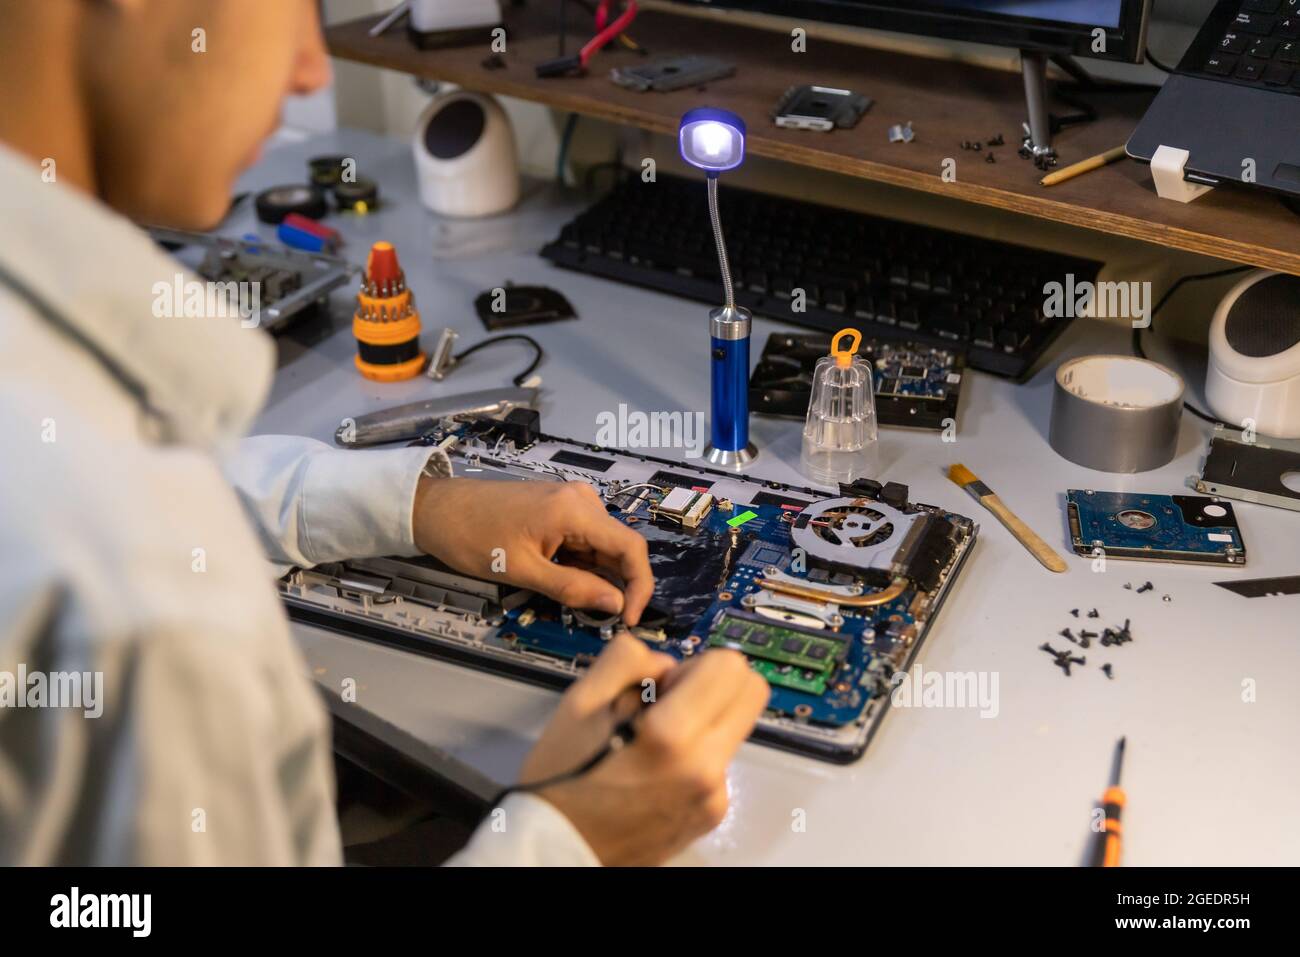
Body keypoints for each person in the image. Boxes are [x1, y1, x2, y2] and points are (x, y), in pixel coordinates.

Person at [0, 0, 768, 866]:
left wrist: (421, 504)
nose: (311, 71)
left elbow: (148, 487)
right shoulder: (128, 597)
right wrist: (574, 839)